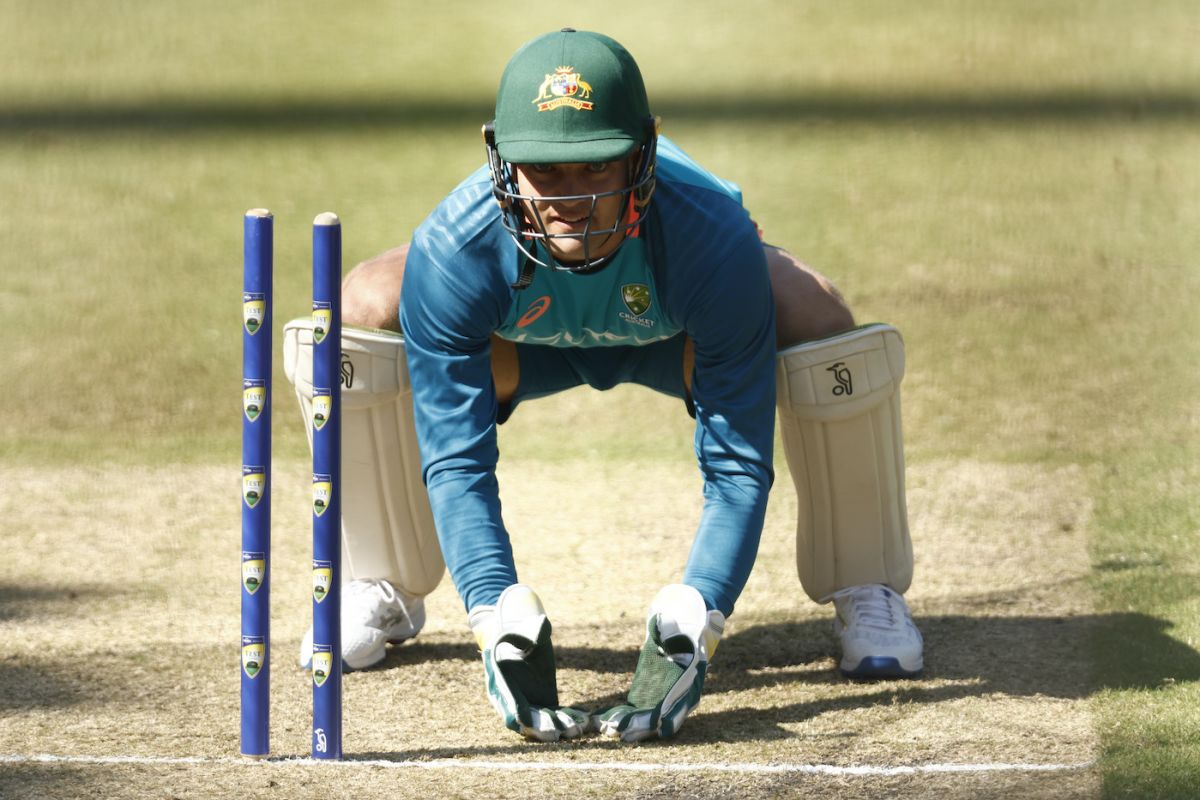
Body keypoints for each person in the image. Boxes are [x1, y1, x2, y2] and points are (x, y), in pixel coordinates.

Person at [282, 28, 923, 743]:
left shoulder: (711, 239)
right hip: (520, 349)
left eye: (595, 166)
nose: (570, 198)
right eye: (544, 171)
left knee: (817, 313)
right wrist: (494, 612)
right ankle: (381, 580)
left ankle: (865, 580)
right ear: (502, 159)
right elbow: (458, 461)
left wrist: (700, 610)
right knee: (363, 305)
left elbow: (738, 464)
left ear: (644, 153)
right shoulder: (455, 250)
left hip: (671, 344)